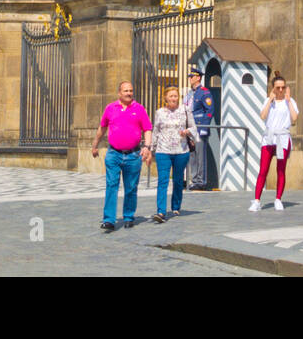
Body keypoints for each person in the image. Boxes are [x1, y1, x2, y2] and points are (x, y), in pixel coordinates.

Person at [91, 81, 152, 231]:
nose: (129, 93)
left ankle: (129, 216)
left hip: (133, 155)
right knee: (112, 185)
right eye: (126, 91)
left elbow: (148, 129)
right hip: (114, 154)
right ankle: (109, 220)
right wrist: (95, 145)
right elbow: (102, 128)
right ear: (119, 93)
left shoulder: (139, 109)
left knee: (131, 187)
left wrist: (147, 147)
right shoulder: (110, 108)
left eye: (131, 90)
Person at [251, 74, 298, 211]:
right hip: (269, 137)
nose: (281, 90)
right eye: (278, 88)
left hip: (282, 137)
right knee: (263, 170)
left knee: (281, 170)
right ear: (273, 88)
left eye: (283, 87)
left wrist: (288, 101)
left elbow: (294, 119)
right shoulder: (268, 101)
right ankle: (257, 201)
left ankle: (278, 199)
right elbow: (263, 116)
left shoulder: (290, 102)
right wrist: (270, 100)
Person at [149, 87, 195, 223]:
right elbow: (155, 130)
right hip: (163, 151)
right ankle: (161, 211)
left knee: (178, 180)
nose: (174, 98)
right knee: (163, 181)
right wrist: (152, 149)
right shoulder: (159, 112)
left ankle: (176, 206)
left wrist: (187, 131)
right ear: (165, 98)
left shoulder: (185, 110)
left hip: (181, 151)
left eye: (175, 96)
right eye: (171, 96)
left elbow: (194, 128)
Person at [186, 67, 213, 190]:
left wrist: (204, 127)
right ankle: (194, 179)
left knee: (200, 155)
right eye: (189, 77)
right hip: (190, 127)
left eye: (192, 77)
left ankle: (201, 181)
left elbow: (209, 110)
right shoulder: (190, 93)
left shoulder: (204, 92)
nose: (190, 79)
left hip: (200, 126)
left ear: (198, 77)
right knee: (192, 154)